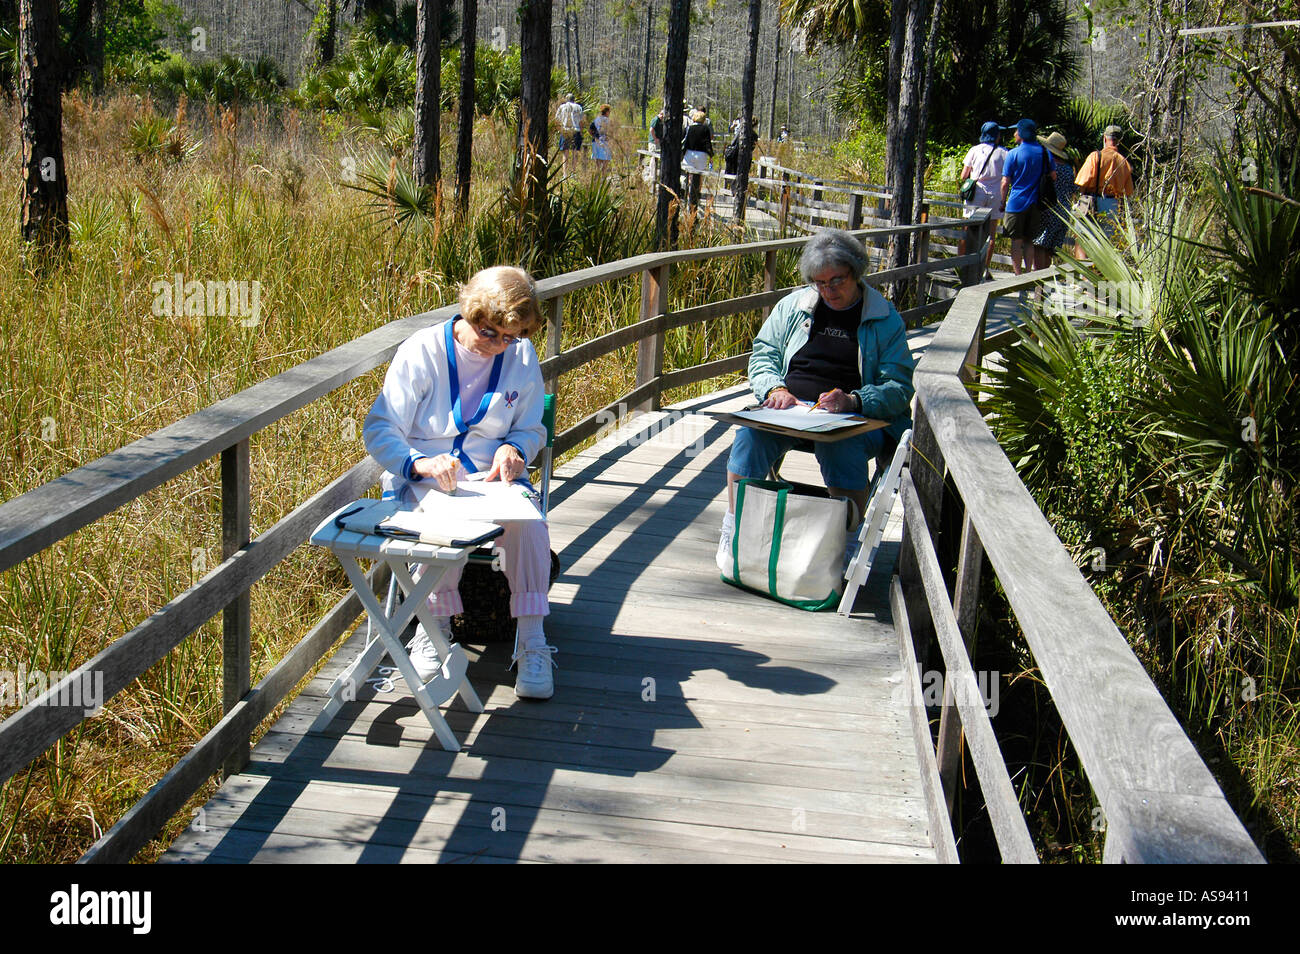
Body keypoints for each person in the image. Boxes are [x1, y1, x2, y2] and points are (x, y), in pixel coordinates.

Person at [364, 266, 557, 700]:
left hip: (494, 481)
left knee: (529, 525)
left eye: (512, 337)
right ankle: (435, 634)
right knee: (437, 523)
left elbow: (530, 427)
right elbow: (380, 428)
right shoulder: (421, 351)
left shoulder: (520, 355)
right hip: (427, 478)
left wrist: (516, 450)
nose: (500, 346)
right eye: (491, 334)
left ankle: (531, 643)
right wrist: (419, 463)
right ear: (470, 314)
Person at [717, 230, 916, 570]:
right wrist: (774, 390)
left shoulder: (884, 318)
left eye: (837, 280)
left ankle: (843, 542)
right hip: (793, 412)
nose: (828, 290)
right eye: (820, 283)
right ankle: (737, 528)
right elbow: (763, 355)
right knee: (750, 434)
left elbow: (899, 387)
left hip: (854, 419)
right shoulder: (794, 307)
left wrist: (854, 400)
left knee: (840, 445)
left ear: (857, 272)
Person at [999, 118, 1055, 275]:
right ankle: (1028, 275)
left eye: (1017, 130)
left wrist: (1002, 202)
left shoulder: (1013, 154)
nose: (1015, 133)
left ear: (1022, 133)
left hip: (1016, 203)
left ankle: (1017, 275)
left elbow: (1005, 182)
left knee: (1016, 241)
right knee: (1029, 240)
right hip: (1036, 203)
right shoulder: (1045, 153)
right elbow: (1053, 176)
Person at [959, 121, 1008, 275]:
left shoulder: (974, 150)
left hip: (977, 194)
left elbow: (964, 175)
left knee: (967, 229)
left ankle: (962, 266)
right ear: (996, 136)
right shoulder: (1004, 153)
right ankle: (984, 269)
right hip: (995, 195)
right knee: (990, 234)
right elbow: (1006, 178)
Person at [1073, 124, 1135, 241]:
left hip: (1090, 202)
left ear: (1105, 139)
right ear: (1119, 141)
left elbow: (1082, 182)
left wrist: (1080, 199)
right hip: (1112, 205)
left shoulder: (1095, 156)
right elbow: (1128, 192)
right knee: (1106, 243)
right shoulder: (1124, 162)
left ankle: (1081, 260)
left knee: (1082, 240)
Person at [1031, 132, 1078, 268]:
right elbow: (1074, 190)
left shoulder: (1047, 167)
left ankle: (1038, 282)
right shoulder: (1068, 170)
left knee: (1040, 245)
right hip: (1063, 212)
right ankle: (1043, 283)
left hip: (1048, 209)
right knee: (1050, 249)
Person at [682, 108, 714, 210]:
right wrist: (711, 155)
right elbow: (707, 144)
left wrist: (682, 153)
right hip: (701, 155)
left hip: (690, 153)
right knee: (698, 176)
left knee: (689, 176)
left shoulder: (689, 128)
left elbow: (685, 142)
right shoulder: (705, 129)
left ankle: (688, 196)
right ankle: (696, 197)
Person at [556, 93, 584, 158]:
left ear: (566, 99)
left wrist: (560, 129)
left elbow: (557, 119)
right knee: (575, 151)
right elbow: (581, 121)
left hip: (565, 130)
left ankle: (565, 168)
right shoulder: (578, 107)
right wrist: (581, 132)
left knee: (565, 151)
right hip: (576, 130)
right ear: (573, 99)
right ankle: (574, 168)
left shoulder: (562, 107)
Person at [590, 103, 613, 172]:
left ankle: (598, 177)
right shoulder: (609, 121)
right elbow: (612, 131)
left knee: (597, 161)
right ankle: (603, 176)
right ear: (606, 112)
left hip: (596, 141)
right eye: (609, 111)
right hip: (606, 142)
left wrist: (594, 136)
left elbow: (590, 130)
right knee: (606, 160)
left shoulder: (596, 120)